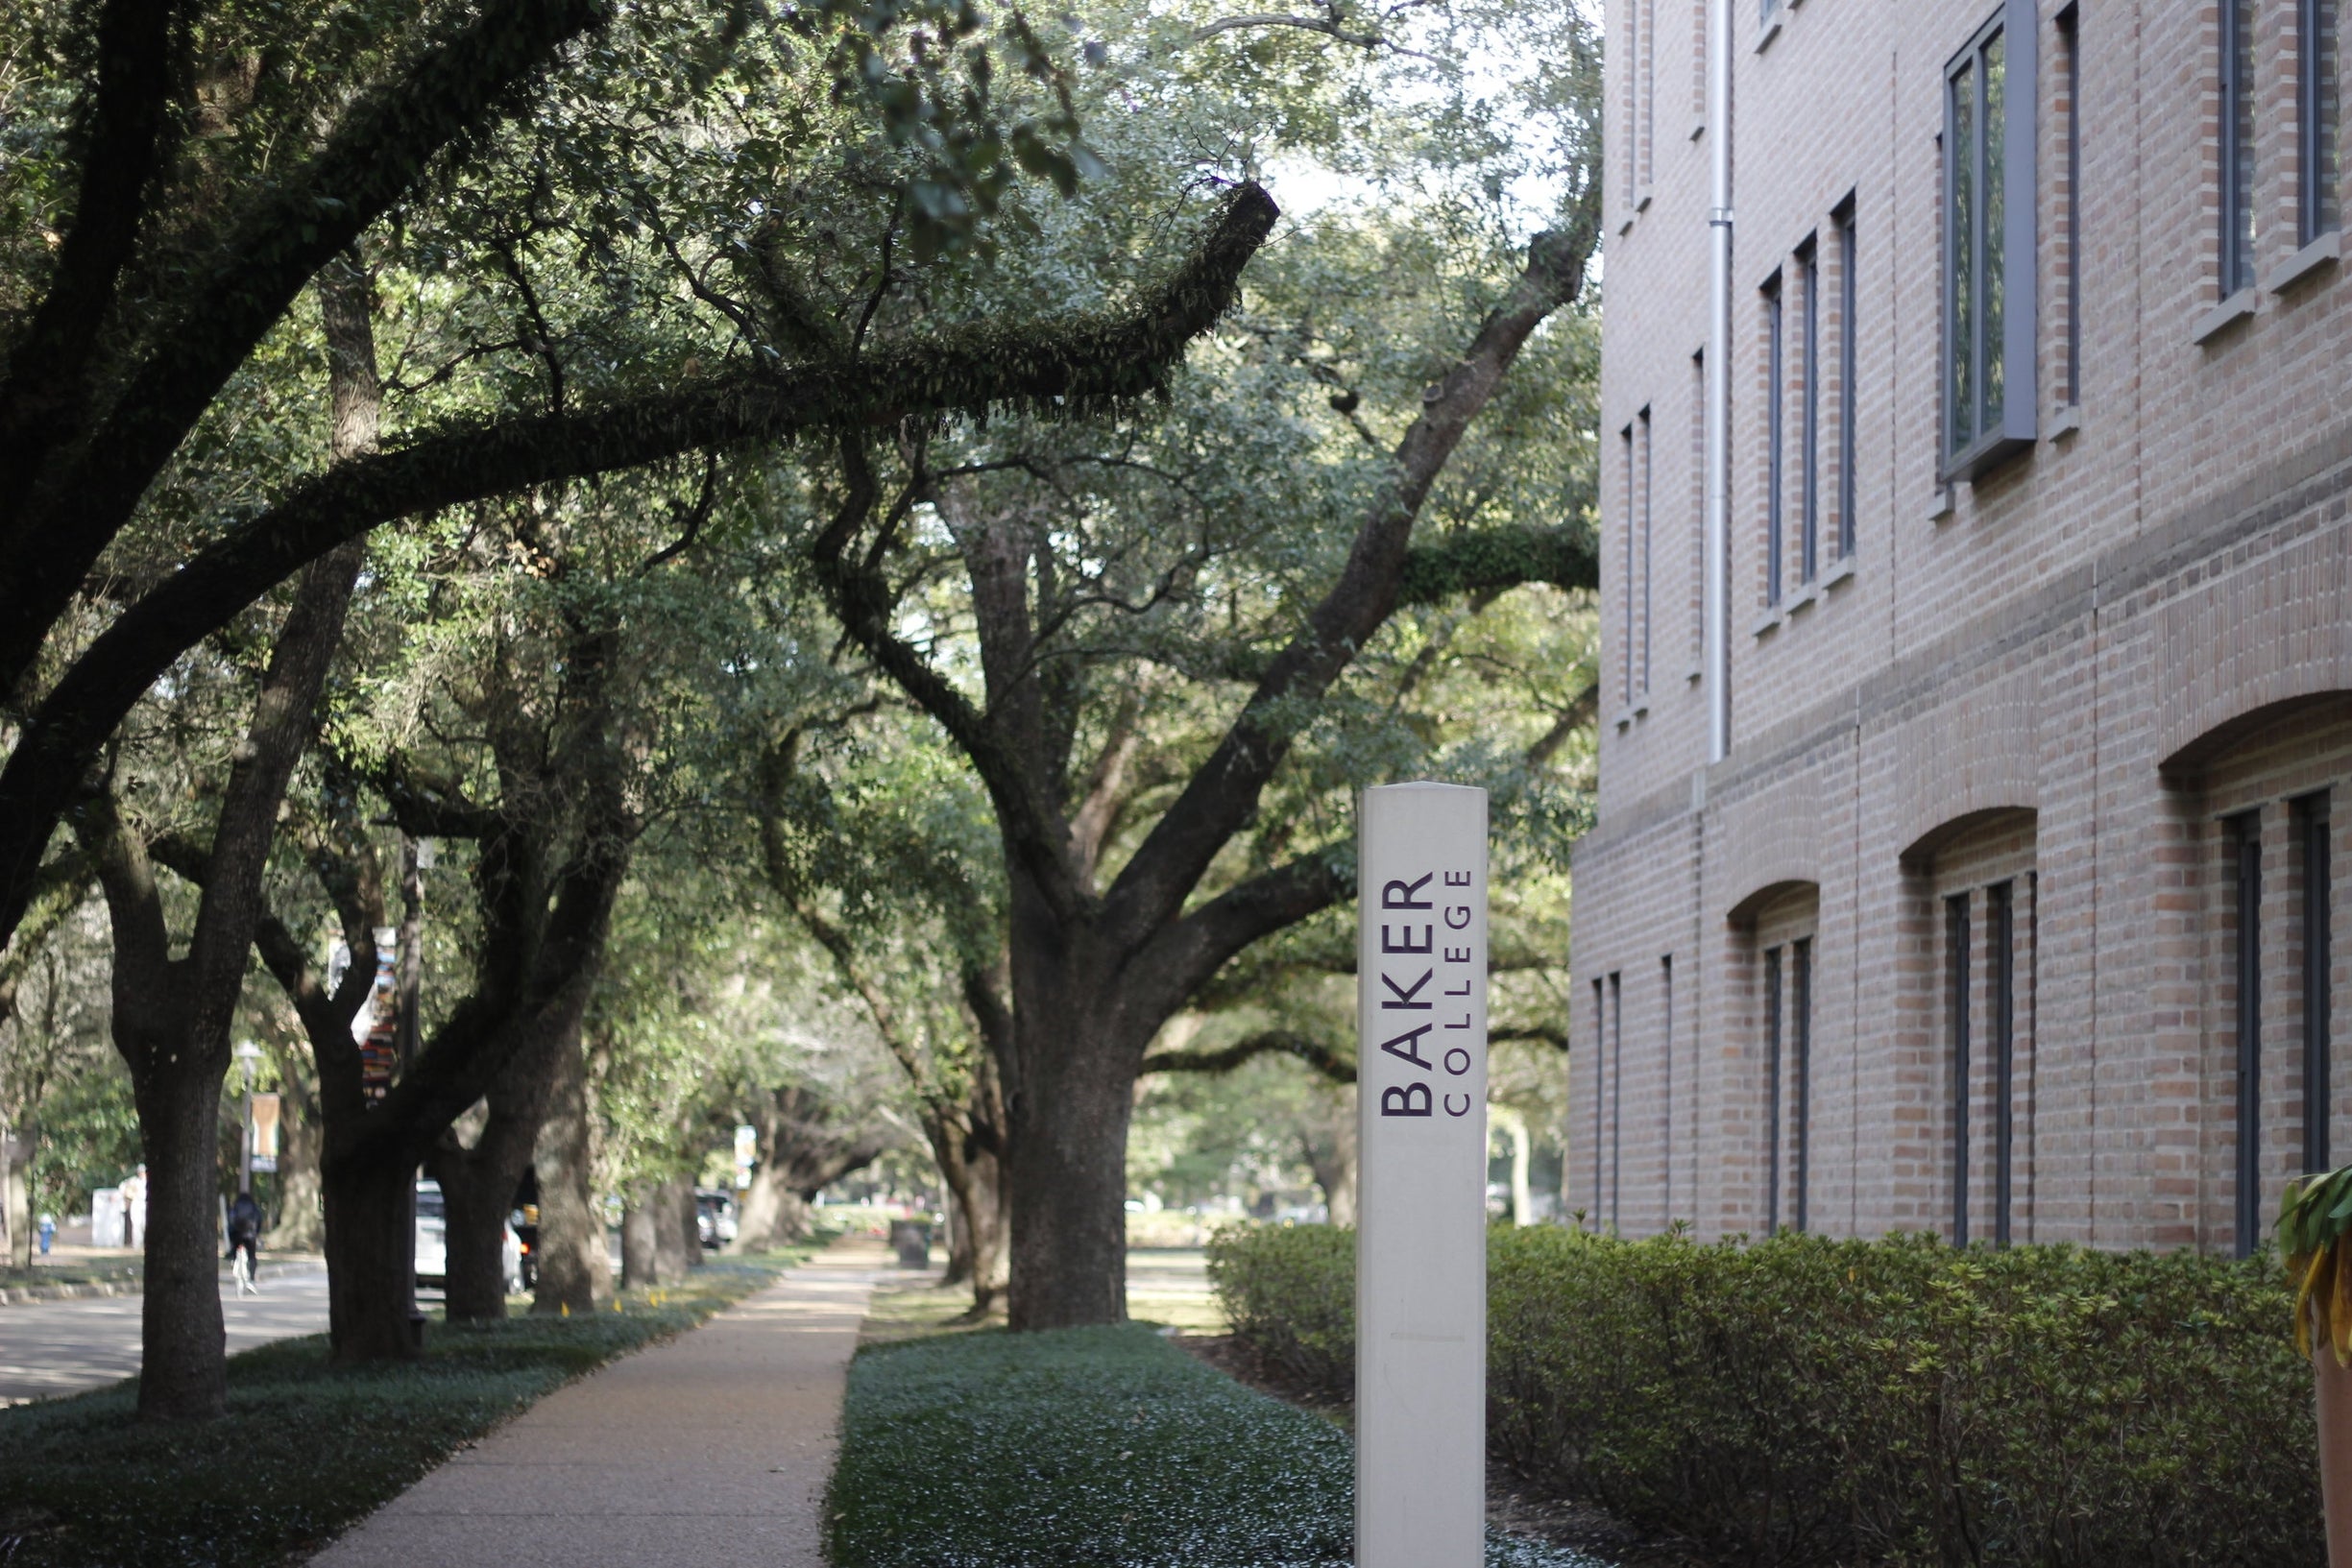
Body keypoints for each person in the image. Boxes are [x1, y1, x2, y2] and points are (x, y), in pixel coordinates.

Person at [227, 1191, 263, 1296]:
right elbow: (259, 1220)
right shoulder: (253, 1207)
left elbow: (231, 1221)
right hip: (250, 1236)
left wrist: (231, 1235)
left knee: (234, 1249)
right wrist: (256, 1233)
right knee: (252, 1257)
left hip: (237, 1235)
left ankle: (233, 1259)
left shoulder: (236, 1206)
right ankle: (251, 1280)